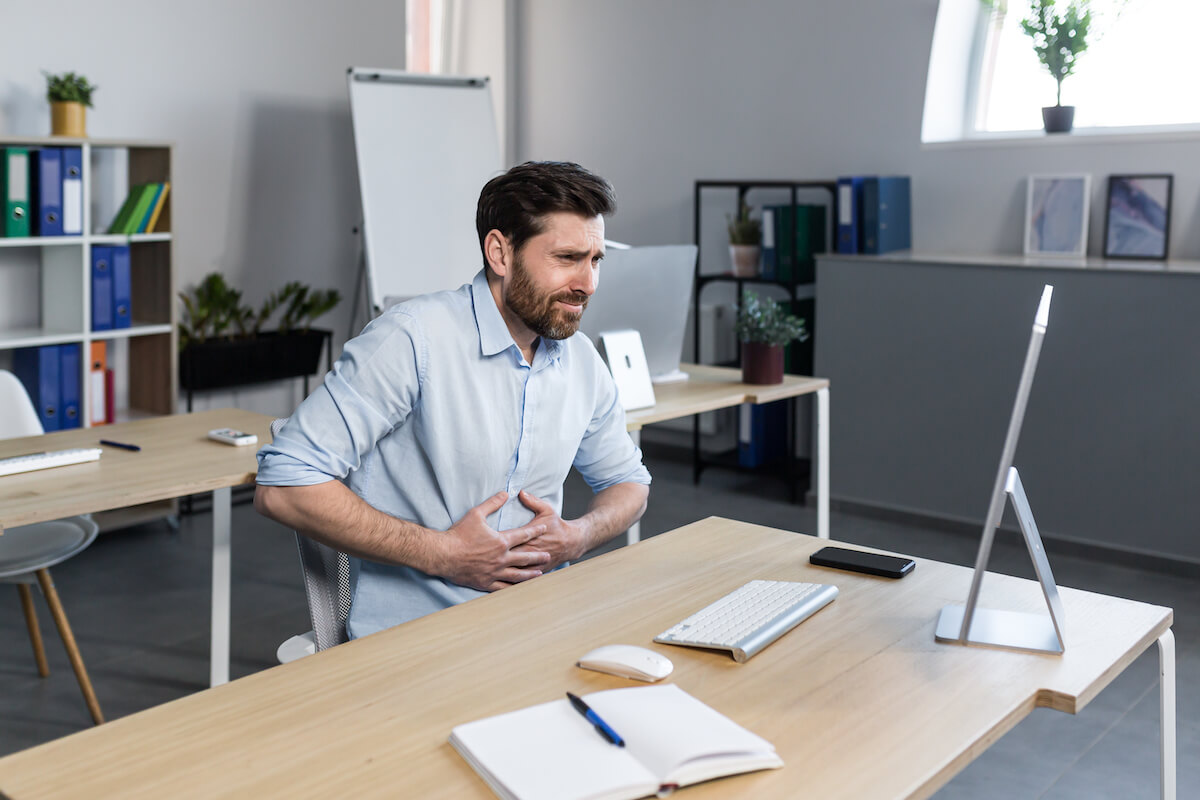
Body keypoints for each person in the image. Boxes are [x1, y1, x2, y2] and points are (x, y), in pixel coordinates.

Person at [254, 161, 651, 638]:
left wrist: (578, 536)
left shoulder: (581, 361)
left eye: (595, 260)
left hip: (540, 626)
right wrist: (447, 556)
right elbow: (284, 486)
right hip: (421, 638)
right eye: (567, 258)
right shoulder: (414, 338)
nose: (587, 284)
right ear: (500, 253)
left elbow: (629, 483)